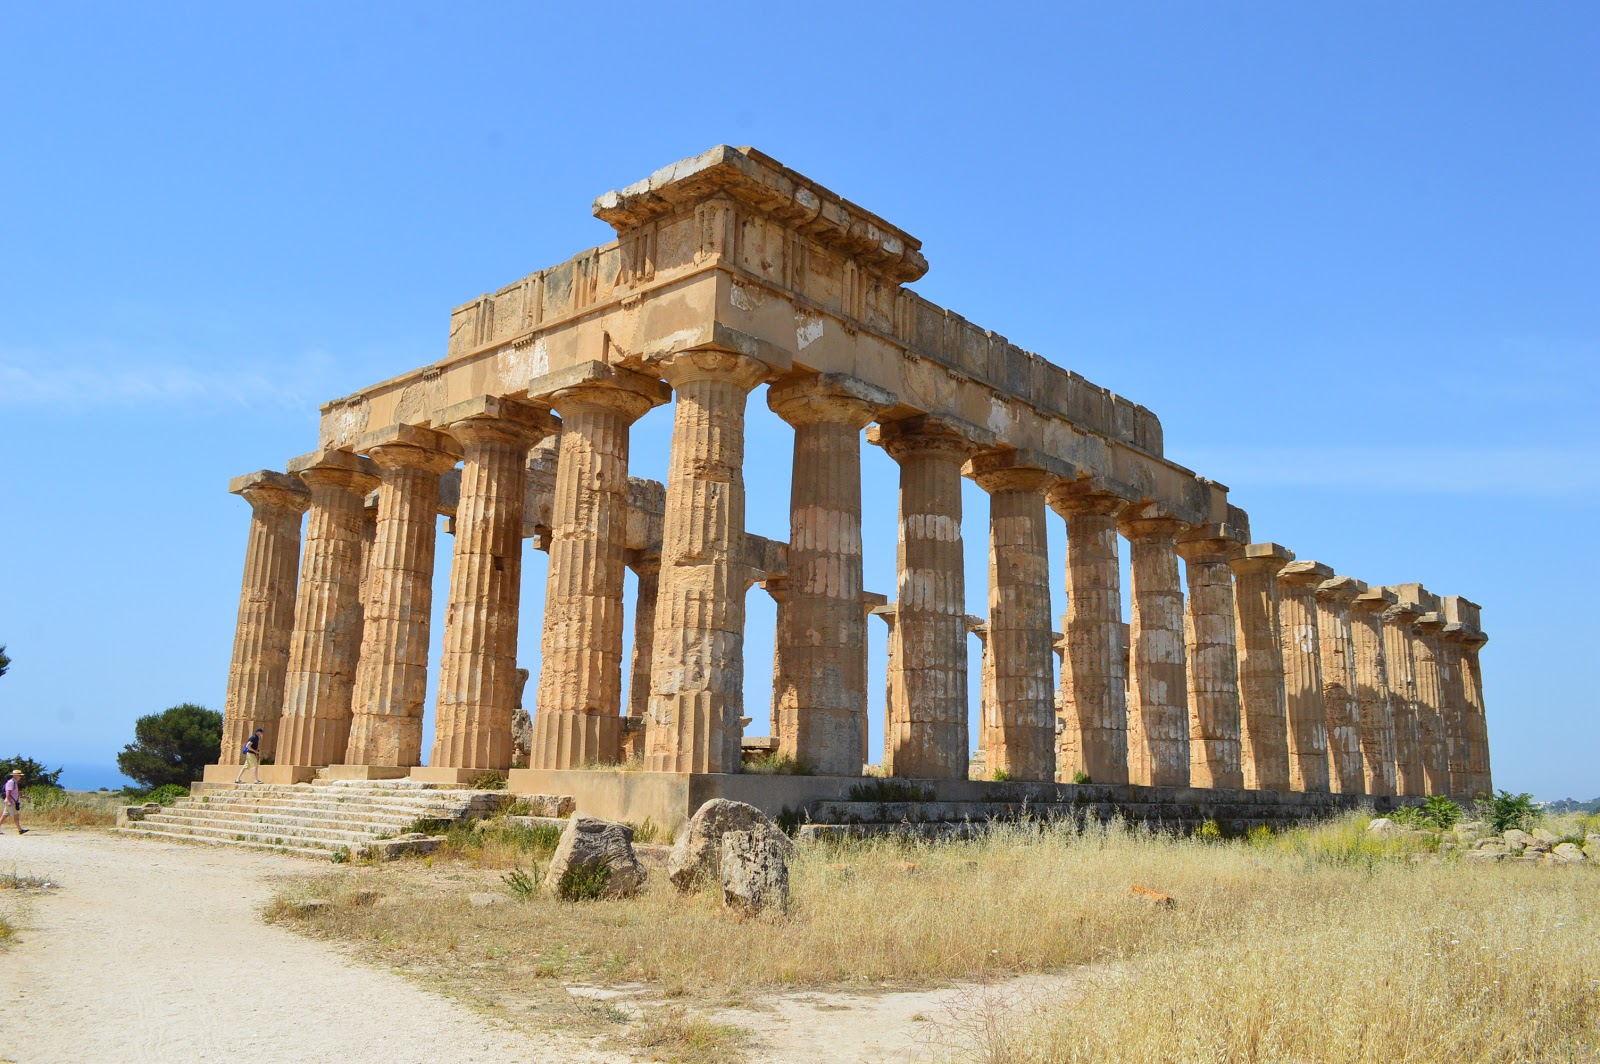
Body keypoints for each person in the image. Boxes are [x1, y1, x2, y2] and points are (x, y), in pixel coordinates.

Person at [2, 769, 25, 834]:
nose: (20, 777)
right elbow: (8, 791)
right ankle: (20, 830)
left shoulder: (14, 782)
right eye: (19, 775)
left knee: (5, 816)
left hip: (12, 802)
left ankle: (20, 830)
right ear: (15, 775)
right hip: (11, 802)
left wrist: (25, 797)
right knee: (16, 816)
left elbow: (16, 793)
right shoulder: (11, 782)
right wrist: (9, 801)